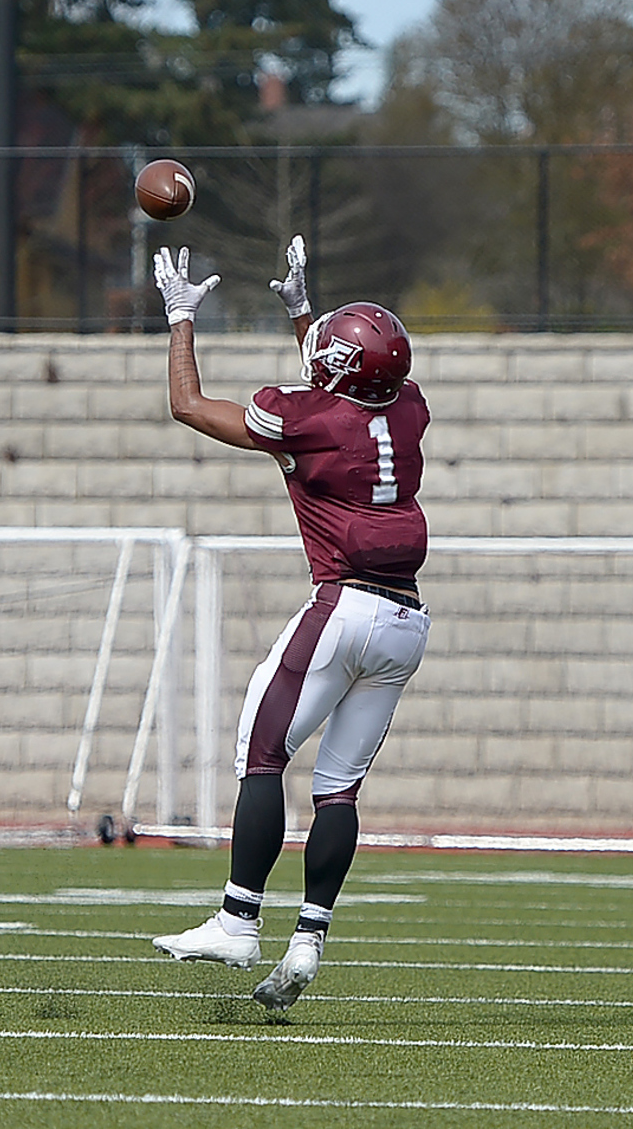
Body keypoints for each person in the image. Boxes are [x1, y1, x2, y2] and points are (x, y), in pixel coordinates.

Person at [147, 237, 431, 1013]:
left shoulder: (304, 418)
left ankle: (239, 918)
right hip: (407, 619)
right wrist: (304, 311)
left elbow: (188, 406)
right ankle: (309, 935)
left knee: (260, 750)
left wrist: (180, 318)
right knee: (337, 786)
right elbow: (339, 371)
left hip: (344, 606)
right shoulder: (407, 409)